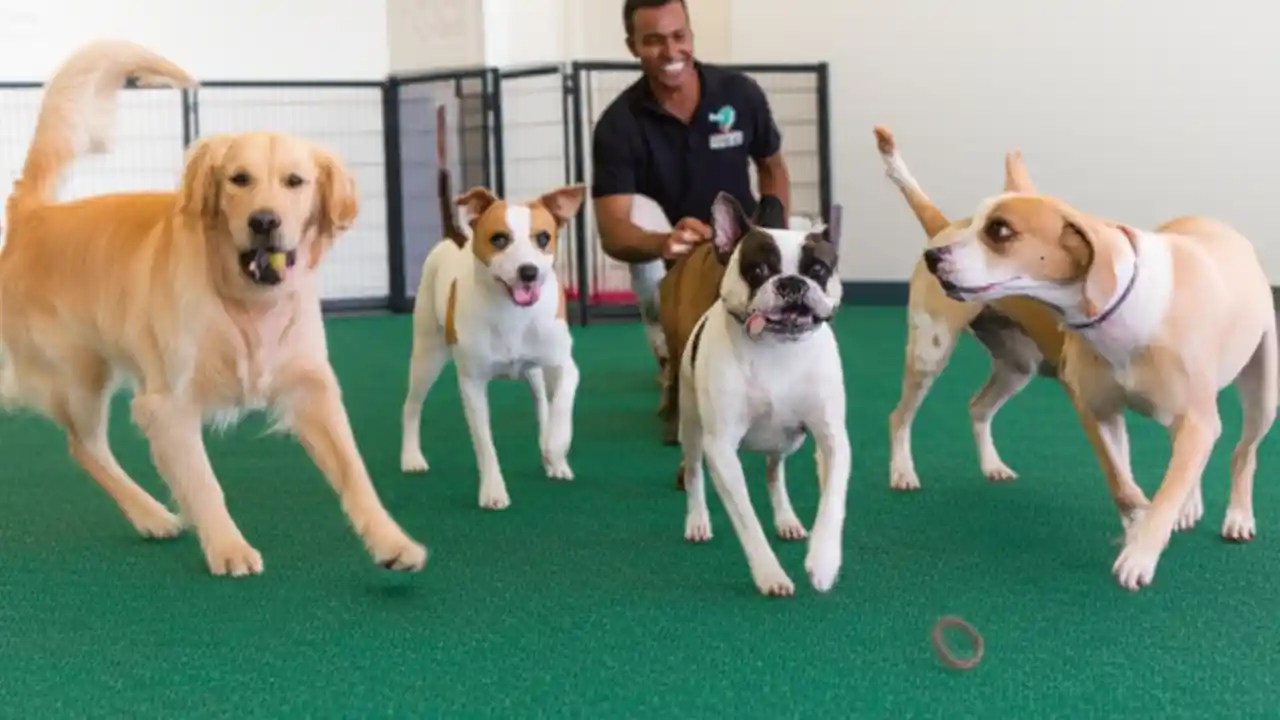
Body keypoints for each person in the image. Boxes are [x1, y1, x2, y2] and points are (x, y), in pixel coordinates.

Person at [590, 0, 792, 371]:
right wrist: (663, 243)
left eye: (678, 36)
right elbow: (613, 231)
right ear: (632, 46)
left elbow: (772, 167)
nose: (670, 52)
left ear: (691, 35)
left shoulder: (740, 93)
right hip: (674, 258)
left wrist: (774, 228)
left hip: (741, 242)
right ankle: (668, 344)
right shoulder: (617, 125)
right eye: (653, 40)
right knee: (641, 216)